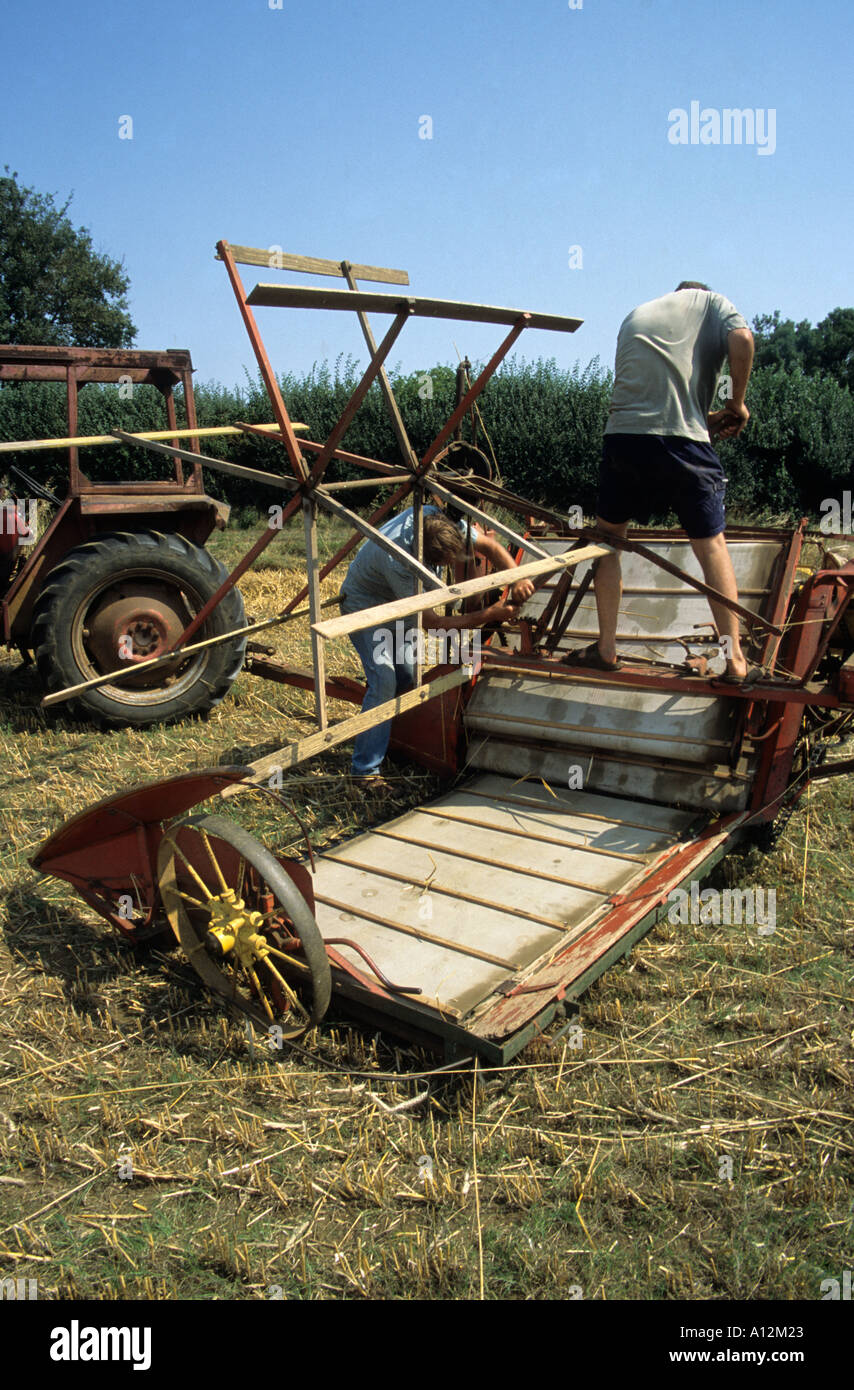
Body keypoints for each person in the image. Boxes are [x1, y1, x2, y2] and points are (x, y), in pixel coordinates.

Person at [572, 281, 756, 682]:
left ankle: (605, 648)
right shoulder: (711, 303)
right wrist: (736, 403)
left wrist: (700, 420)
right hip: (681, 445)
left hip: (622, 439)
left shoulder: (637, 314)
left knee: (608, 542)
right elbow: (742, 338)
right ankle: (737, 662)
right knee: (711, 546)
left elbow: (653, 412)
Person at [339, 503, 534, 780]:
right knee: (384, 680)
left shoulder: (440, 522)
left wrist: (518, 578)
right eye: (442, 565)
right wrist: (489, 614)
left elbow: (490, 548)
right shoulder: (400, 561)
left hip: (400, 606)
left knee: (407, 679)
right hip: (368, 607)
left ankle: (394, 741)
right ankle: (365, 770)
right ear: (426, 558)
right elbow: (432, 623)